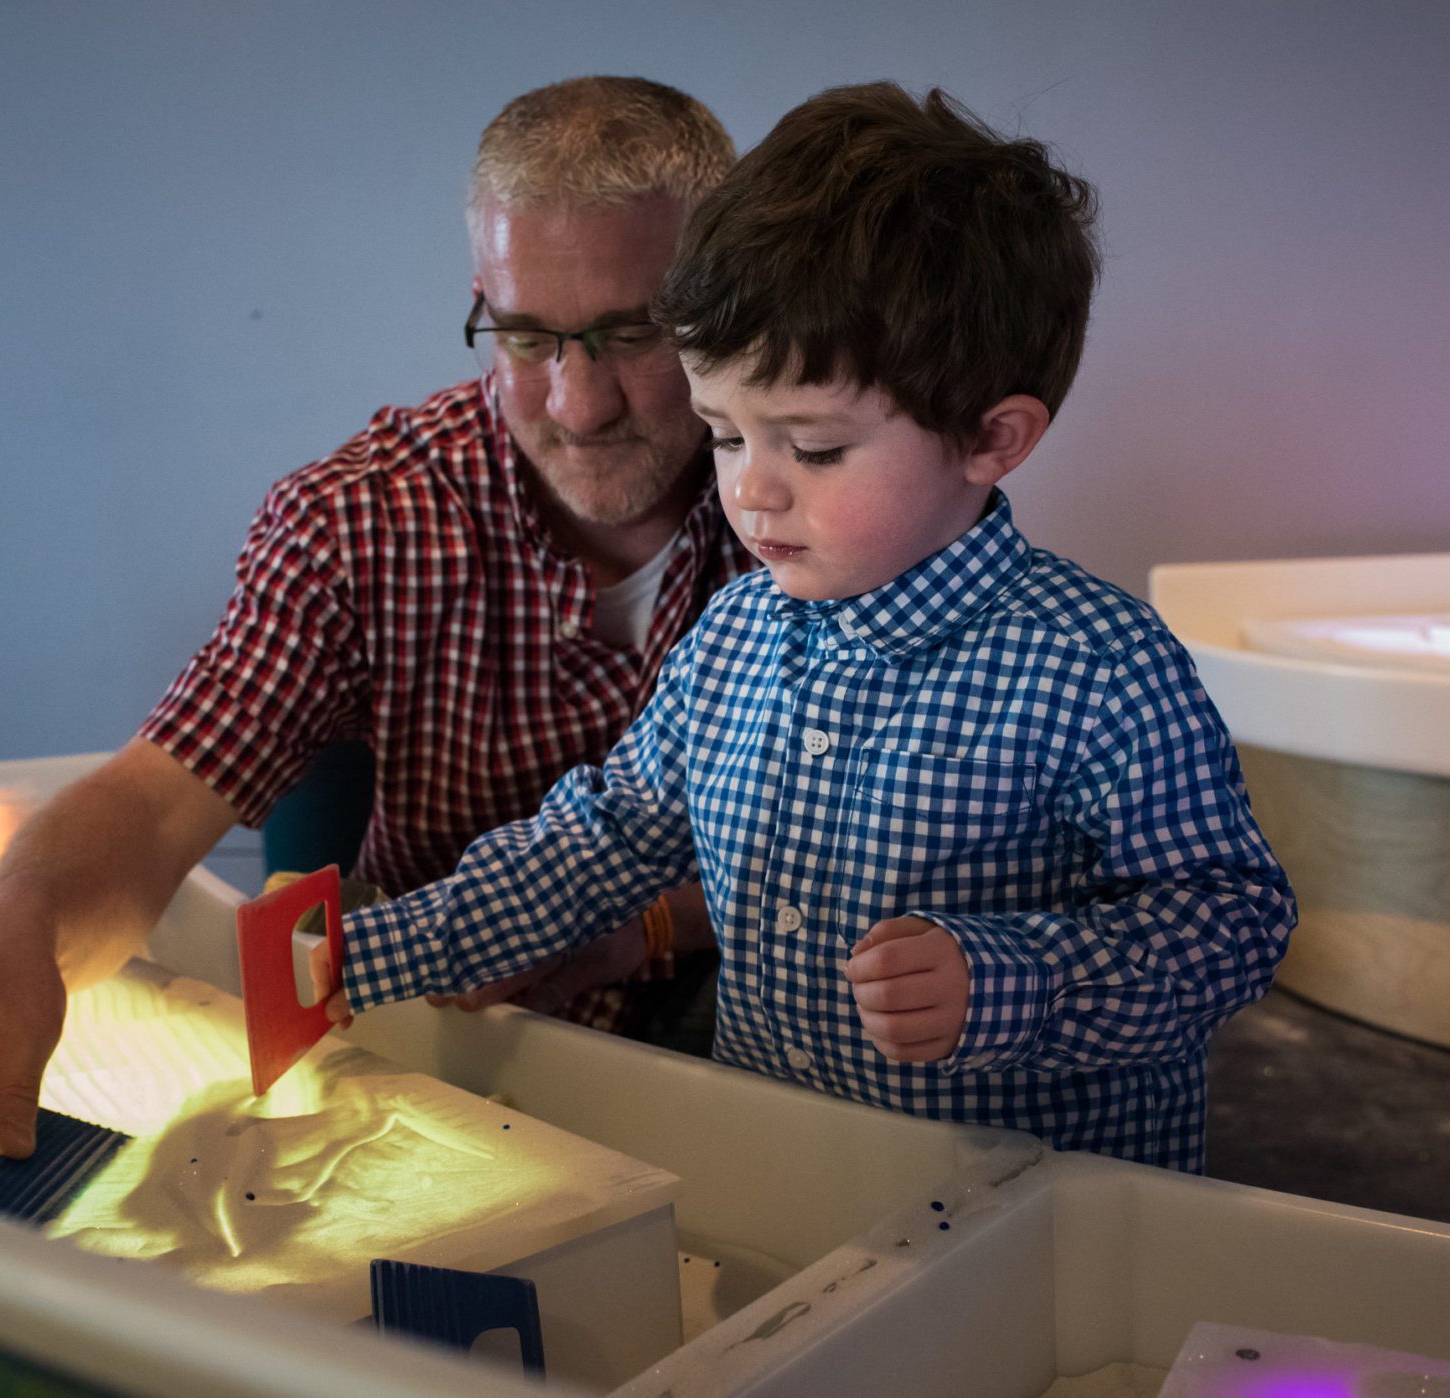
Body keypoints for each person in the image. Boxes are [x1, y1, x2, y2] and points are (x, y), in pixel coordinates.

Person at [320, 82, 1297, 1173]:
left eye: (814, 449)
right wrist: (377, 955)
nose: (754, 495)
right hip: (789, 1177)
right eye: (726, 435)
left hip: (1037, 1214)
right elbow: (603, 834)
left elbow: (1230, 916)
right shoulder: (738, 634)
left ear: (992, 437)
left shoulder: (1095, 667)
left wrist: (1007, 981)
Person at [0, 76, 753, 1178]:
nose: (577, 402)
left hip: (735, 1054)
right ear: (482, 301)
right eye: (524, 338)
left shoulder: (820, 507)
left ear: (724, 305)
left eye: (631, 335)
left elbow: (895, 855)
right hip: (445, 1062)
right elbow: (153, 799)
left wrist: (647, 924)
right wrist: (18, 934)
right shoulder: (360, 517)